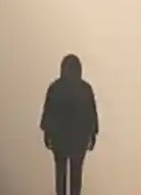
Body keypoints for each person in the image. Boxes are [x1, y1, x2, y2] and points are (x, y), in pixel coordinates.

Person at [40, 54, 99, 195]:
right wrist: (93, 133)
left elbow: (48, 112)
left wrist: (47, 133)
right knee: (75, 173)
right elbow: (92, 113)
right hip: (77, 138)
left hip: (61, 138)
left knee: (62, 173)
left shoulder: (56, 88)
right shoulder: (85, 89)